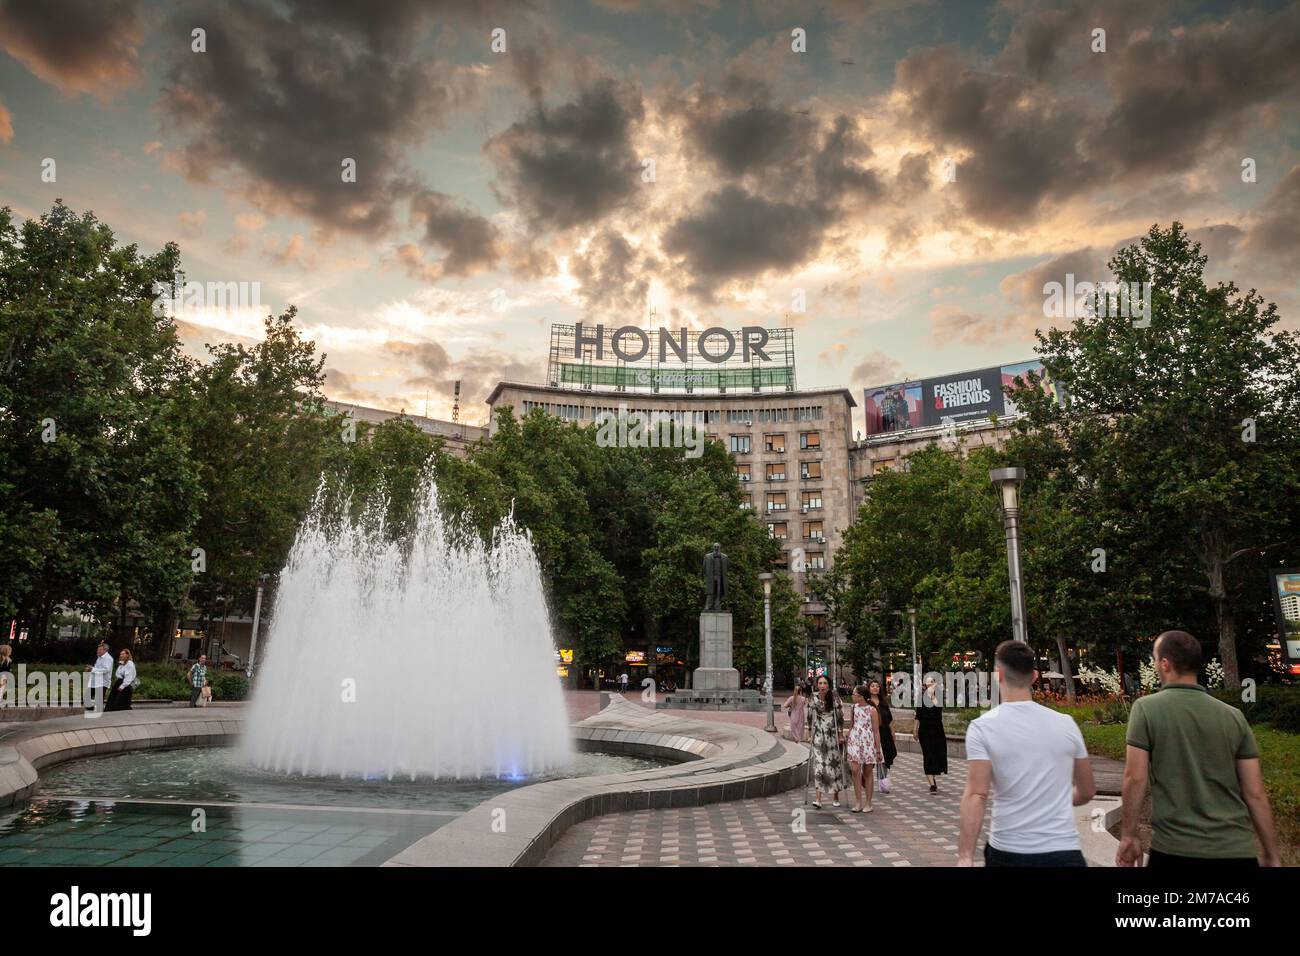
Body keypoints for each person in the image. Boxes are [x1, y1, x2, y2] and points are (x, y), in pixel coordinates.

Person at [1117, 630, 1281, 867]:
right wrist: (1271, 853)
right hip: (1236, 851)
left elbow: (1135, 778)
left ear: (1165, 664)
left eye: (1155, 659)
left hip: (1175, 849)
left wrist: (1129, 835)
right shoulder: (1234, 717)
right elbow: (1255, 793)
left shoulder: (1146, 709)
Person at [958, 640, 1096, 867]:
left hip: (1009, 849)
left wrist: (965, 856)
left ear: (998, 674)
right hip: (1063, 851)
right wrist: (1056, 799)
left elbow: (976, 794)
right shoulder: (1066, 724)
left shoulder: (983, 727)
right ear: (1033, 677)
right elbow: (1088, 790)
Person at [805, 674, 846, 809]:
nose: (822, 686)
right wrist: (809, 732)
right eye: (820, 683)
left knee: (833, 765)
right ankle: (818, 798)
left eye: (825, 683)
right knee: (819, 765)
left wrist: (840, 734)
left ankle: (835, 796)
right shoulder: (813, 697)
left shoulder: (834, 697)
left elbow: (839, 717)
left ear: (829, 685)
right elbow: (810, 716)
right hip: (818, 733)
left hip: (832, 733)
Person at [845, 685, 884, 813]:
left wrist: (878, 750)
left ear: (861, 696)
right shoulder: (853, 708)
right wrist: (848, 740)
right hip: (855, 741)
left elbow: (876, 731)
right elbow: (851, 725)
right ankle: (858, 802)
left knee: (867, 773)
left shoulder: (872, 710)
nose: (852, 695)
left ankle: (868, 803)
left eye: (854, 693)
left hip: (868, 743)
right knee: (855, 771)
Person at [914, 675, 947, 792]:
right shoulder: (920, 698)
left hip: (937, 729)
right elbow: (917, 716)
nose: (930, 684)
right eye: (927, 682)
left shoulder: (938, 697)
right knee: (928, 754)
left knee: (937, 753)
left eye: (932, 682)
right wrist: (915, 730)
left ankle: (933, 776)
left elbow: (938, 709)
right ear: (924, 685)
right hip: (924, 729)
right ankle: (932, 784)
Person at [867, 678, 896, 790]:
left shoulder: (884, 703)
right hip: (870, 734)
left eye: (877, 686)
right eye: (873, 686)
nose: (875, 688)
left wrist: (892, 732)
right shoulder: (867, 703)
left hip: (884, 734)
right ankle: (867, 780)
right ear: (868, 688)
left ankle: (882, 782)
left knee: (883, 758)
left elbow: (889, 719)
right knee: (870, 759)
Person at [84, 642, 113, 712]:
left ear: (105, 650)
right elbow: (97, 668)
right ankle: (92, 709)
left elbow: (106, 670)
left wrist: (92, 669)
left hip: (102, 682)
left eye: (100, 650)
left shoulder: (108, 658)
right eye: (98, 649)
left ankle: (99, 713)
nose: (98, 651)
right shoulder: (99, 657)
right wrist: (90, 669)